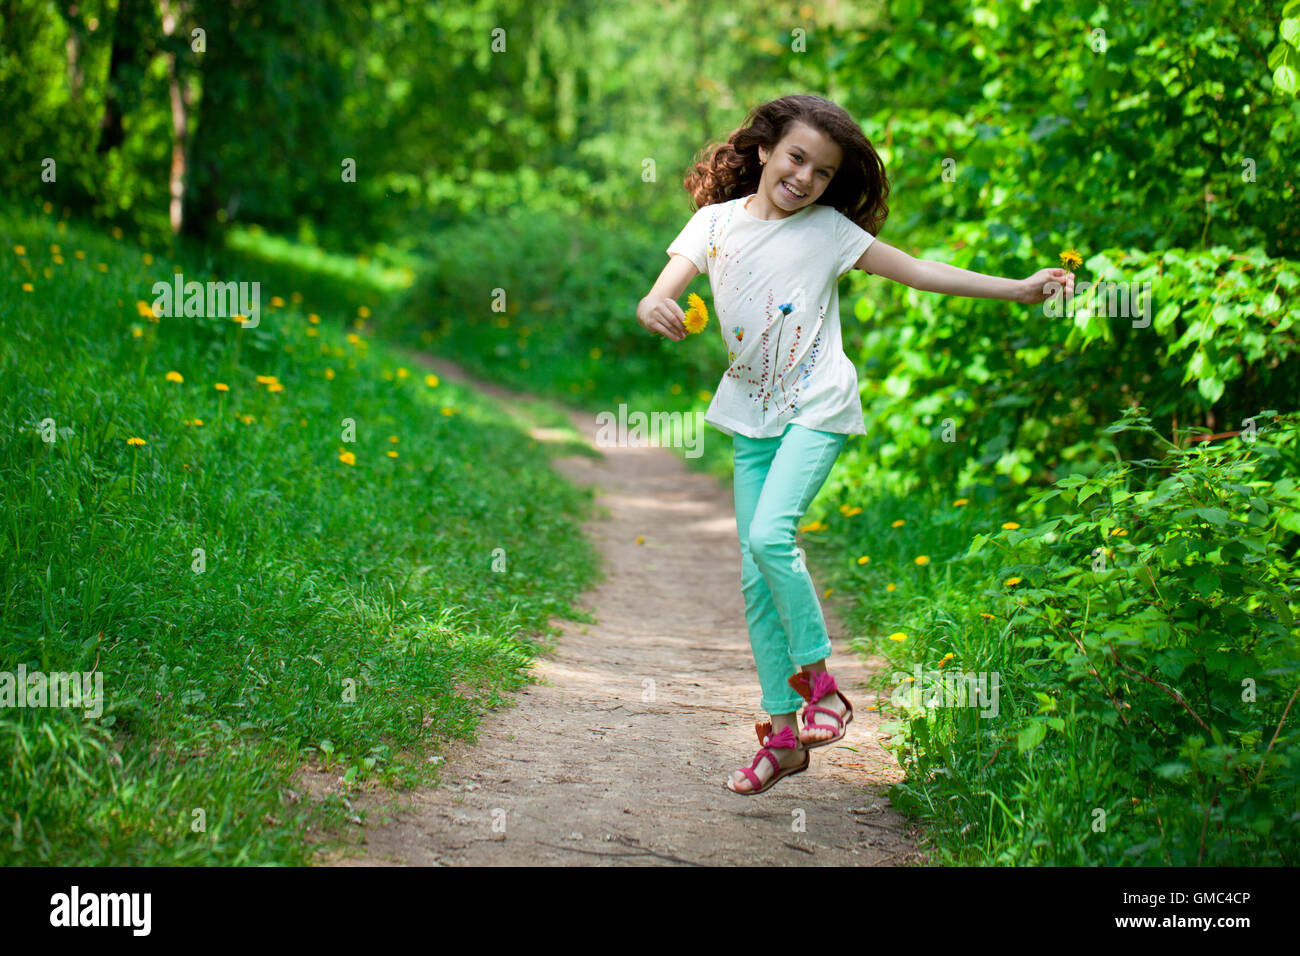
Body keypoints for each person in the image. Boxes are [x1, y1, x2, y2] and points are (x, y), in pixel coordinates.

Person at [635, 94, 1074, 795]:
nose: (805, 177)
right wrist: (653, 305)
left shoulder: (830, 232)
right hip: (752, 414)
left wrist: (1018, 290)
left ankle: (822, 685)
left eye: (823, 170)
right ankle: (782, 735)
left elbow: (923, 270)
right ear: (763, 152)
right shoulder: (713, 223)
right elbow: (661, 290)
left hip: (817, 406)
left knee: (772, 534)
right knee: (754, 572)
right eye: (797, 157)